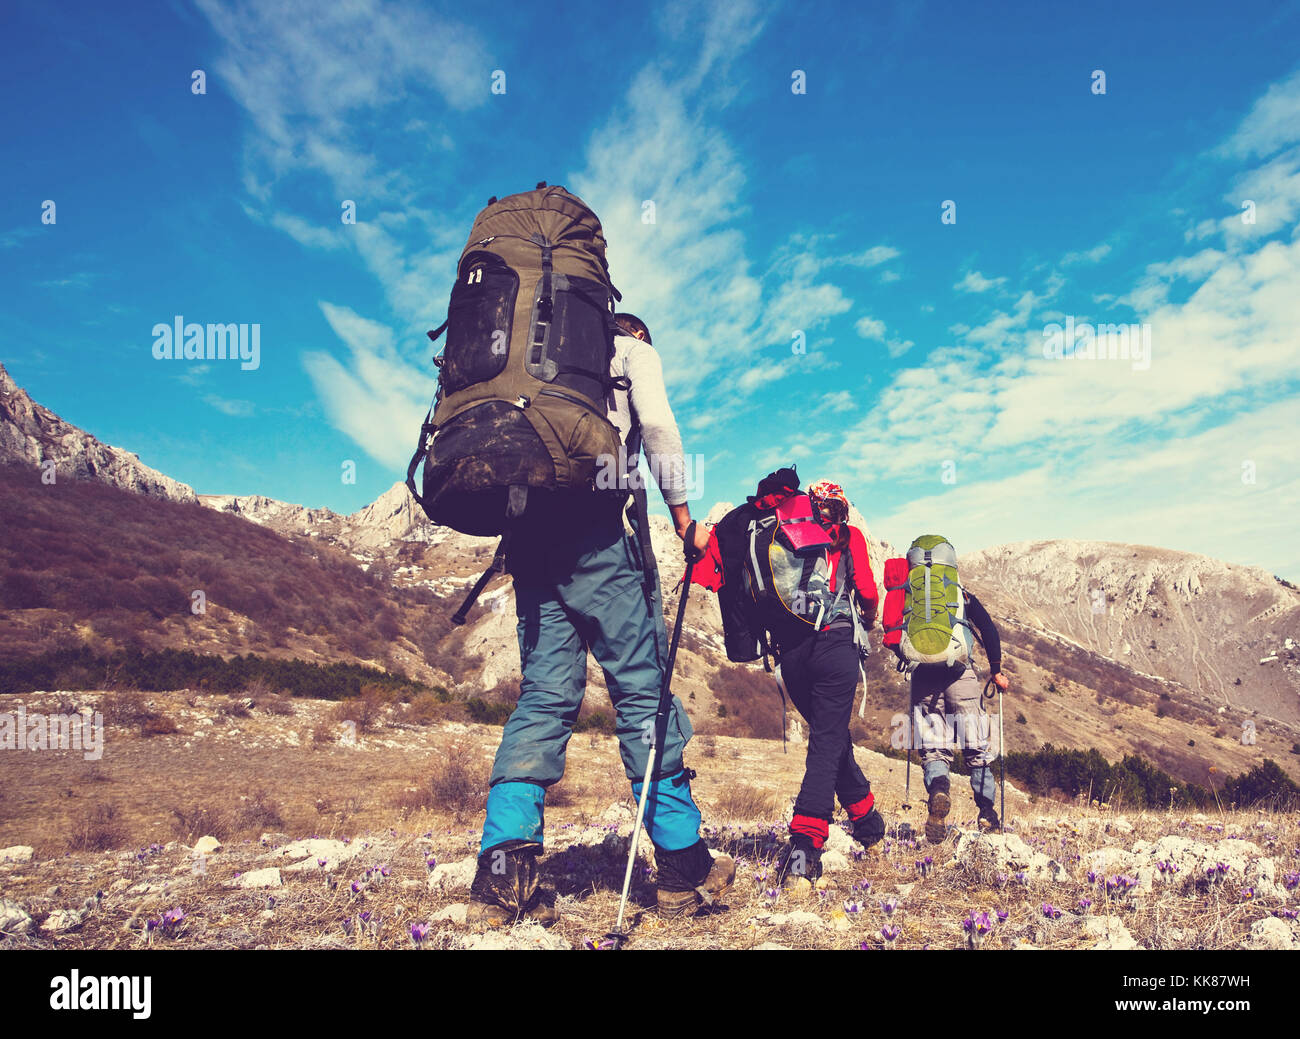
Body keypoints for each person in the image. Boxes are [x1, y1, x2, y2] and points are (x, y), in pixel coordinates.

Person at [467, 311, 732, 927]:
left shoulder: (532, 361)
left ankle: (504, 861)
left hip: (530, 542)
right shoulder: (630, 351)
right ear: (635, 333)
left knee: (543, 698)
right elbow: (660, 427)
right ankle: (679, 861)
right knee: (643, 693)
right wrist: (684, 518)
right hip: (598, 539)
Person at [772, 479, 886, 891]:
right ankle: (803, 851)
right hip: (834, 644)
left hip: (792, 655)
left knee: (830, 736)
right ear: (841, 509)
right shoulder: (848, 536)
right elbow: (868, 591)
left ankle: (868, 823)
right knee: (825, 743)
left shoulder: (784, 533)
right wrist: (869, 619)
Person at [897, 543, 1008, 841]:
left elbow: (893, 632)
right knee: (977, 747)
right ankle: (987, 814)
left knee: (934, 747)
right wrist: (995, 670)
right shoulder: (961, 594)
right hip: (960, 674)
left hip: (922, 676)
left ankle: (939, 792)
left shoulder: (911, 592)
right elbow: (989, 630)